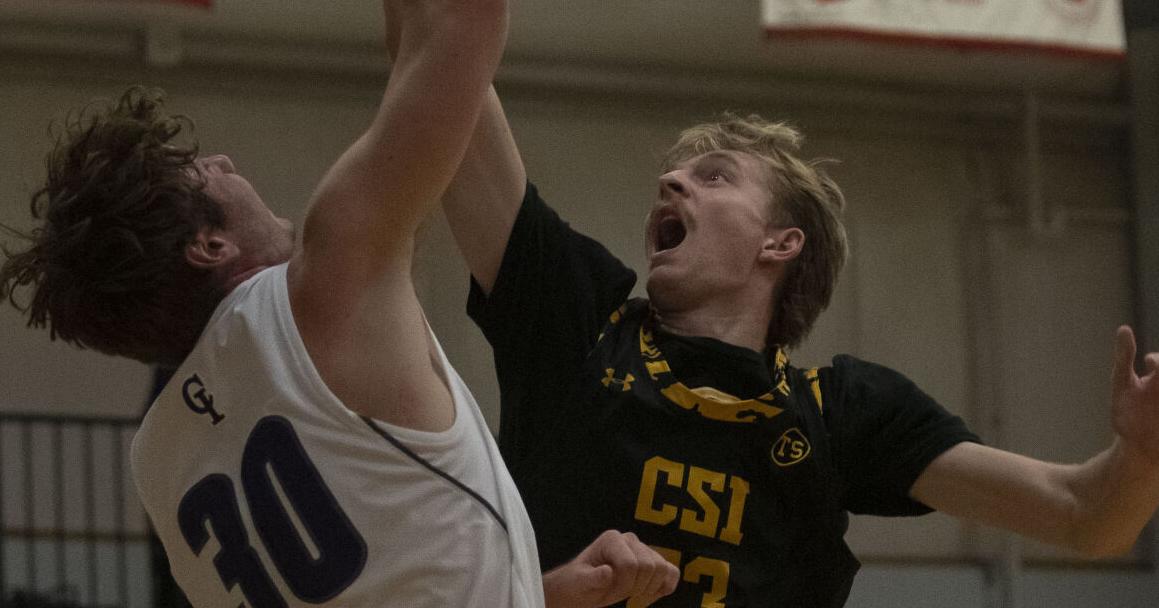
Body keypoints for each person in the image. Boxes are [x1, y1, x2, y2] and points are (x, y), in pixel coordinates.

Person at [0, 1, 680, 606]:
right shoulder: (321, 286)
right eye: (203, 169)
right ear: (208, 245)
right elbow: (464, 20)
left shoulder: (160, 461)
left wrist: (540, 590)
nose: (228, 163)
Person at [439, 89, 1159, 607]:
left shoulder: (839, 413)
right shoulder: (581, 322)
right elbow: (449, 90)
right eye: (676, 173)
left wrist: (1144, 454)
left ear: (779, 244)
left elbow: (1085, 515)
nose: (669, 180)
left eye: (712, 175)